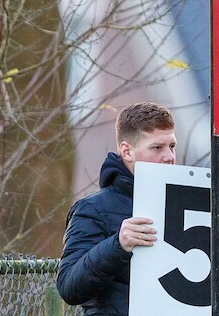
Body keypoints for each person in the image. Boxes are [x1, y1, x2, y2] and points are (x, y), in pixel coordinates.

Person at [57, 102, 177, 315]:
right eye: (157, 148)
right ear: (127, 152)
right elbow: (69, 287)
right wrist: (117, 245)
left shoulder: (188, 205)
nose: (169, 157)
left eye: (172, 146)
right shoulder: (92, 209)